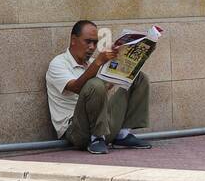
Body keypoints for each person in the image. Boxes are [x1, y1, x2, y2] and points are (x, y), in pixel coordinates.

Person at [45, 20, 152, 155]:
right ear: (73, 40)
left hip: (102, 125)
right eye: (87, 42)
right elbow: (77, 88)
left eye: (95, 43)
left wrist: (120, 67)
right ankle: (96, 138)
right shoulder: (58, 63)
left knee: (138, 77)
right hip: (76, 131)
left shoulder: (91, 63)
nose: (92, 47)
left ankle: (122, 134)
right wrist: (98, 62)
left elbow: (104, 88)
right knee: (94, 83)